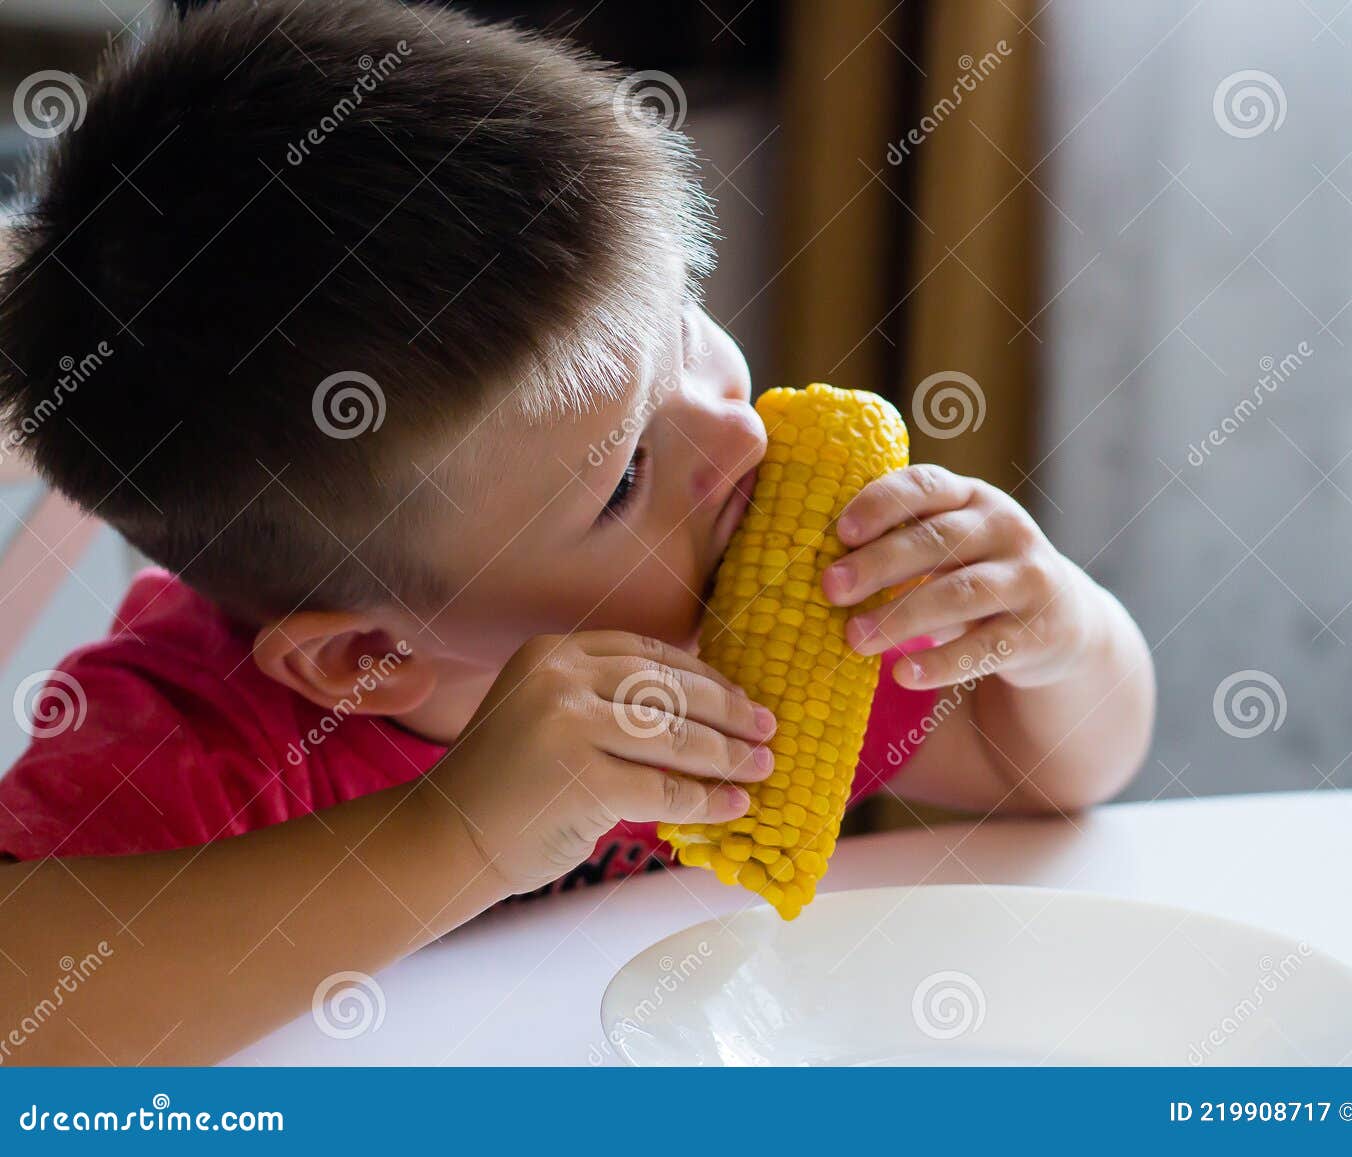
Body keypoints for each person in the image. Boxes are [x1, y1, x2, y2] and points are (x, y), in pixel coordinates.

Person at [0, 0, 1154, 1064]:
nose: (735, 438)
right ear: (368, 656)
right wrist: (460, 831)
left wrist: (1055, 631)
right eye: (626, 476)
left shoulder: (742, 603)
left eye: (687, 328)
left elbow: (1032, 771)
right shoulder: (194, 749)